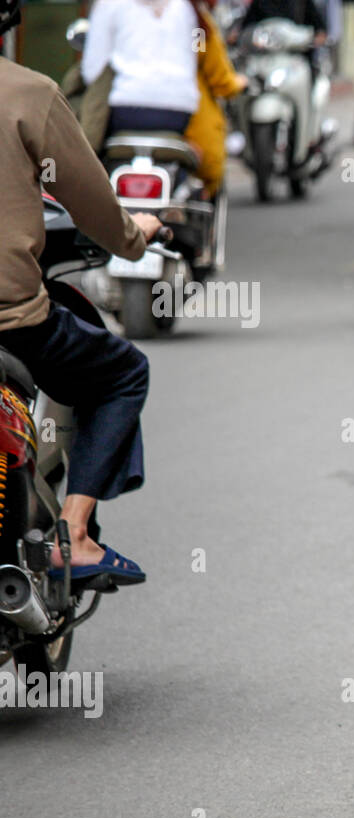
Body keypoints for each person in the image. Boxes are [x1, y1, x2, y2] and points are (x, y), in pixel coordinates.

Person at [0, 0, 164, 585]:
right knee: (123, 373)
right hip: (14, 323)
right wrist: (134, 235)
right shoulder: (28, 94)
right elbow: (95, 207)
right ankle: (73, 537)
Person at [81, 0, 201, 137]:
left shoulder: (108, 4)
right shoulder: (184, 7)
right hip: (180, 111)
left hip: (124, 108)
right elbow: (193, 60)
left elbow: (92, 71)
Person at [187, 0, 248, 197]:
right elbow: (221, 81)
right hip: (189, 125)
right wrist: (239, 82)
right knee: (209, 178)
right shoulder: (196, 23)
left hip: (122, 120)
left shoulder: (124, 12)